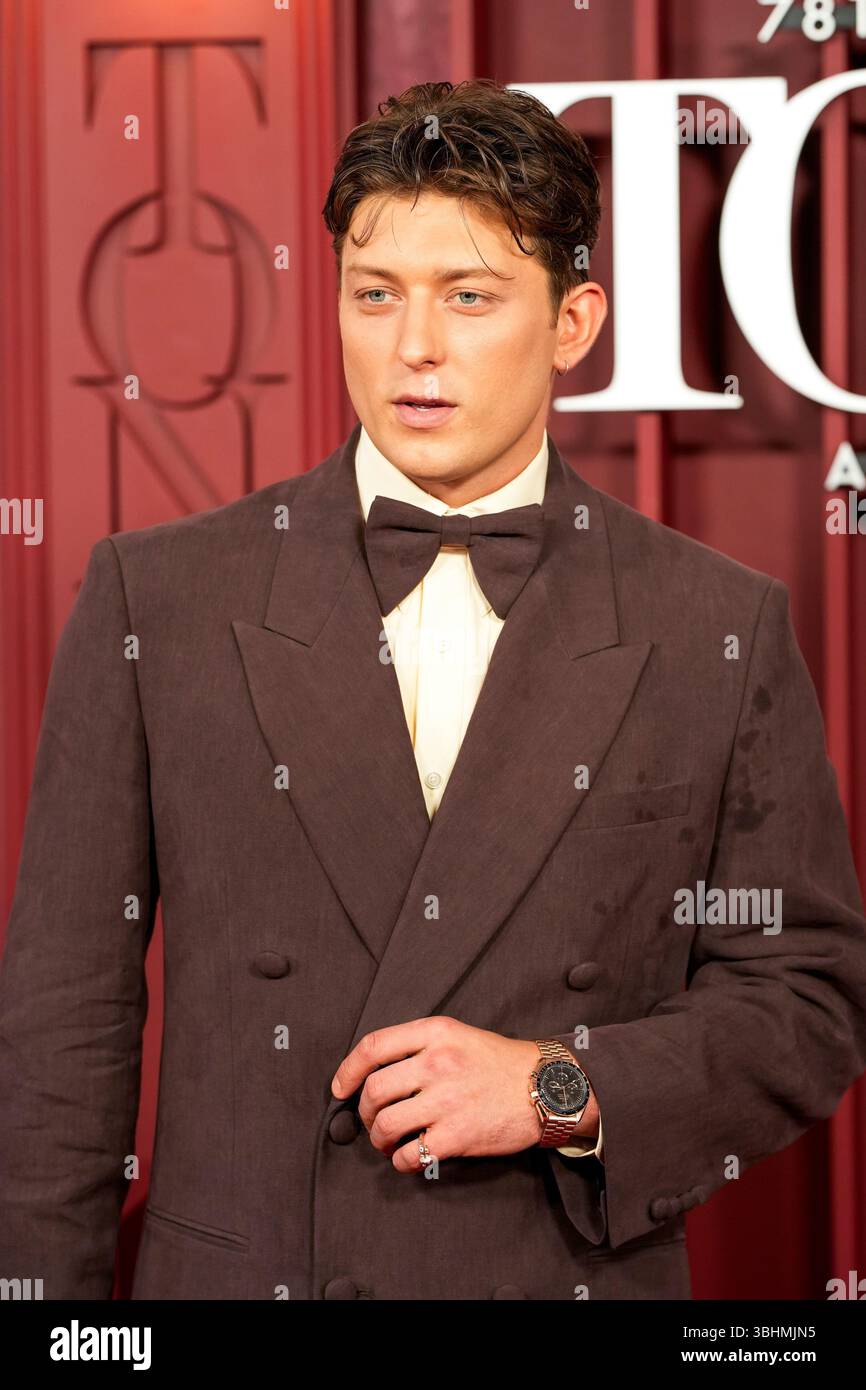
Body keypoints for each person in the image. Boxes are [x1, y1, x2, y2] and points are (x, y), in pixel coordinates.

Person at [1, 79, 865, 1302]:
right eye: (375, 295)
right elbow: (63, 1027)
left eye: (468, 297)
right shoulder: (158, 600)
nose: (415, 347)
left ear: (573, 321)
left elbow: (805, 996)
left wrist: (556, 1087)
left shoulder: (713, 623)